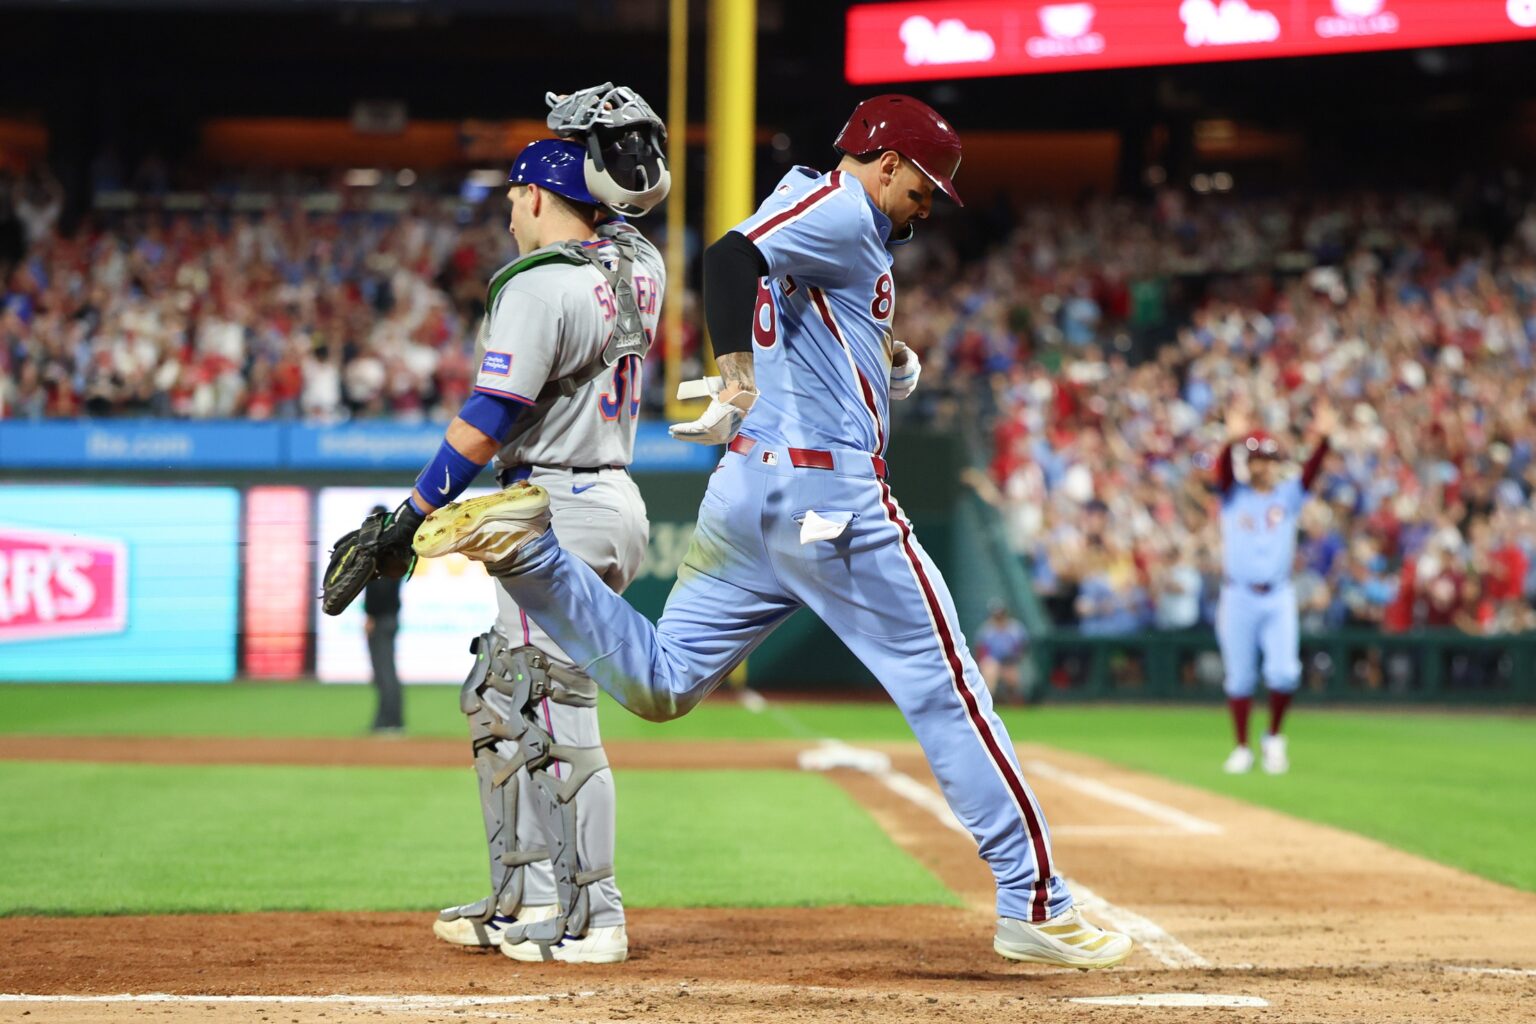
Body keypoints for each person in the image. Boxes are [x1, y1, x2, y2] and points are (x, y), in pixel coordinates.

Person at [412, 94, 1132, 970]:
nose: (928, 205)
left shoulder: (820, 212)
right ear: (890, 163)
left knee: (663, 683)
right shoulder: (837, 204)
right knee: (948, 691)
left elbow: (783, 283)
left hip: (749, 498)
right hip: (828, 502)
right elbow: (729, 260)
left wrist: (881, 350)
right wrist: (734, 369)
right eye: (924, 187)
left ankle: (531, 555)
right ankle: (1037, 902)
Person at [321, 82, 670, 966]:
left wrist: (410, 515)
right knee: (501, 694)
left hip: (560, 505)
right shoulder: (639, 263)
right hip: (597, 496)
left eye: (516, 198)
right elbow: (621, 218)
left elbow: (493, 411)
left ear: (537, 197)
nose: (509, 216)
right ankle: (528, 895)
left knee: (558, 710)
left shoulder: (542, 283)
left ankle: (597, 914)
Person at [1213, 400, 1337, 775]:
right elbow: (1220, 475)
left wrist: (1325, 441)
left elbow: (1311, 472)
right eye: (1253, 459)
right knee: (1240, 676)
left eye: (1266, 459)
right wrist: (1230, 441)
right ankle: (1241, 747)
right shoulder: (1233, 495)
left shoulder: (1287, 495)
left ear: (1275, 462)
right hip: (1238, 594)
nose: (1260, 465)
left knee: (1285, 672)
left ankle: (1274, 738)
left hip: (1279, 594)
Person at [362, 505, 405, 734]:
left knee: (384, 672)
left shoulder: (381, 548)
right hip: (390, 617)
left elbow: (378, 589)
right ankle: (387, 720)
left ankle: (390, 722)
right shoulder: (396, 545)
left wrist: (370, 615)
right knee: (386, 671)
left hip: (381, 618)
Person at [975, 601, 1030, 703]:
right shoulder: (986, 629)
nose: (999, 617)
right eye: (996, 615)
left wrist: (1015, 659)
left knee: (1013, 680)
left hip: (1010, 662)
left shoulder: (1015, 627)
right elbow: (981, 650)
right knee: (990, 671)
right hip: (992, 660)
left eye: (1001, 614)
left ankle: (1014, 703)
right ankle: (986, 703)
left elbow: (1022, 646)